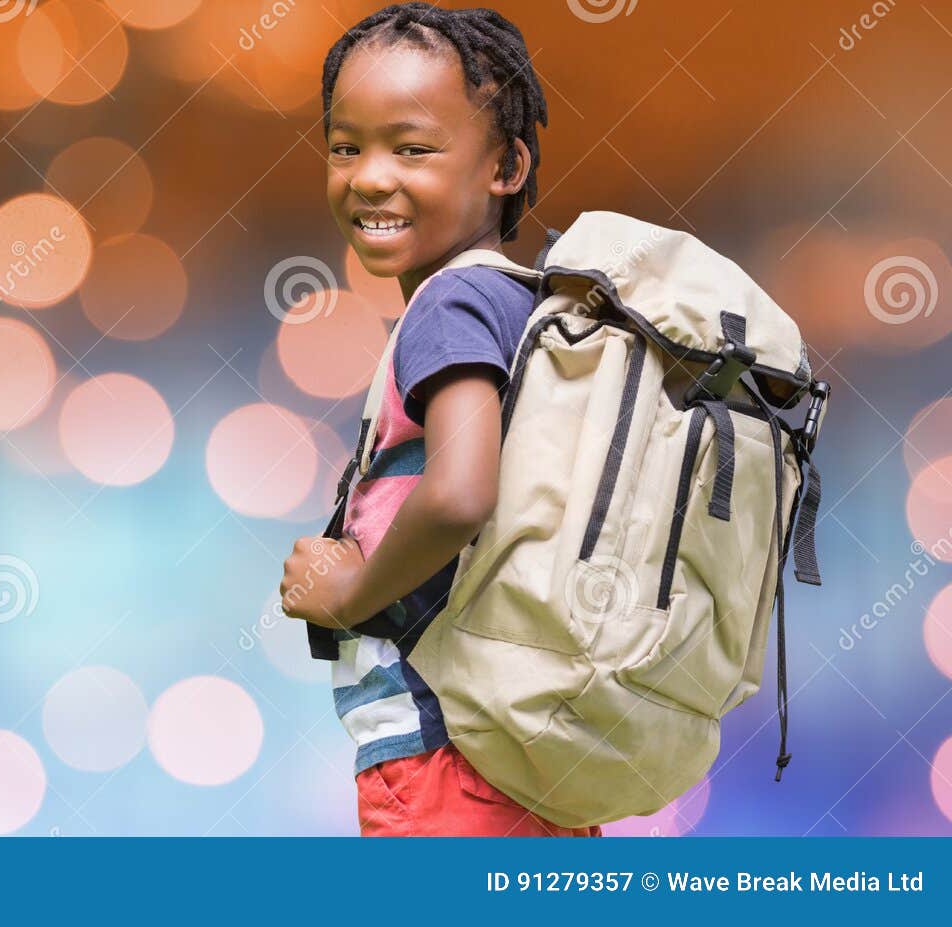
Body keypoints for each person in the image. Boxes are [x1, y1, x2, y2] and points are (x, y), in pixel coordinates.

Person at [277, 3, 600, 837]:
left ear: (506, 164)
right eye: (345, 146)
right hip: (530, 758)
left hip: (445, 767)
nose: (370, 176)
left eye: (413, 148)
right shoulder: (527, 307)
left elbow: (460, 494)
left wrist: (351, 593)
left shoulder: (449, 304)